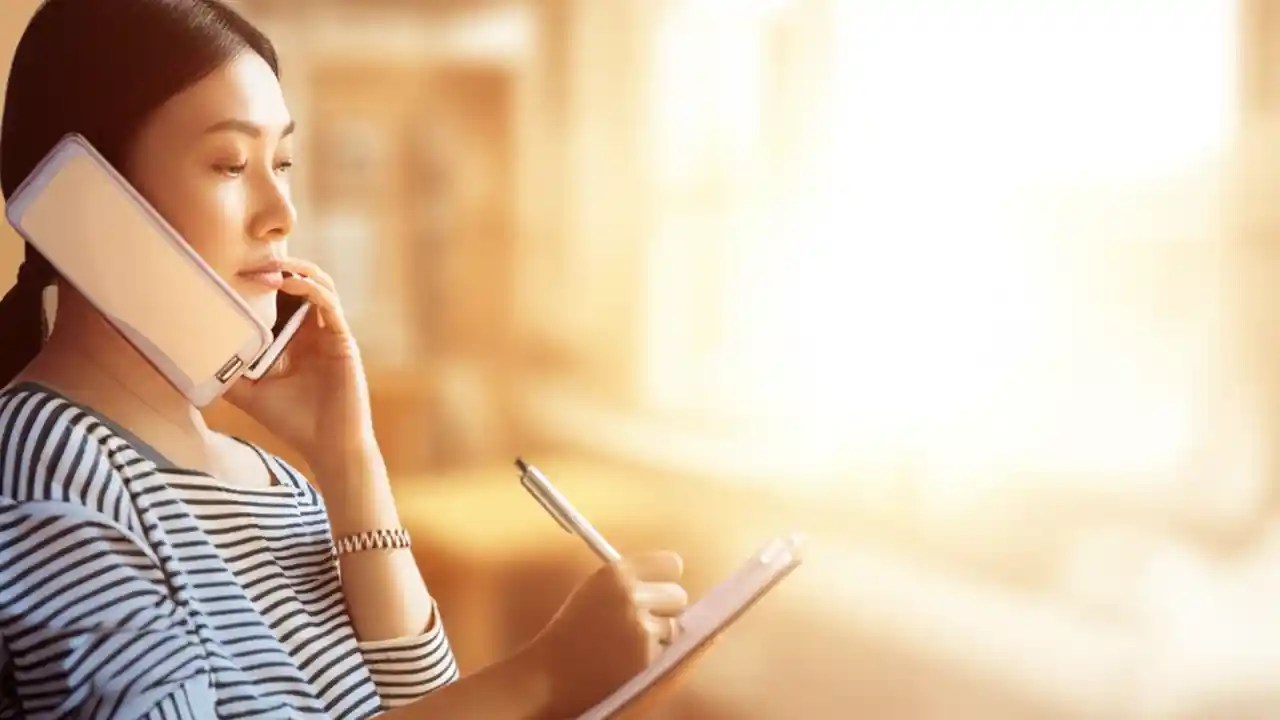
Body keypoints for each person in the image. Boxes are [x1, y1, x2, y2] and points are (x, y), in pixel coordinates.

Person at [0, 1, 688, 717]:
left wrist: (350, 462)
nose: (281, 211)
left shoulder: (286, 487)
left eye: (283, 162)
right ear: (80, 202)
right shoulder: (40, 467)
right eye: (231, 162)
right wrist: (544, 674)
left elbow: (431, 705)